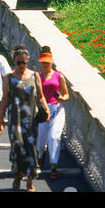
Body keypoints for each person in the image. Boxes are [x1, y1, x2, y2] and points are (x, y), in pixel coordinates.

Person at [0, 45, 48, 191]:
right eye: (18, 63)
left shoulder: (35, 75)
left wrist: (47, 109)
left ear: (28, 61)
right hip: (15, 119)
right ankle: (19, 175)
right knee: (18, 146)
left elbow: (41, 96)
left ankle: (30, 181)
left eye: (23, 63)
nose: (21, 66)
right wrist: (0, 117)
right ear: (14, 61)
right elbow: (5, 97)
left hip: (32, 118)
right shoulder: (9, 77)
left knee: (31, 148)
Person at [35, 50, 70, 179]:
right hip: (43, 110)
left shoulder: (59, 76)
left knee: (54, 137)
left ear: (52, 63)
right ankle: (41, 153)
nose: (45, 65)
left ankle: (53, 166)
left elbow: (66, 94)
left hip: (57, 109)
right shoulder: (37, 76)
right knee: (41, 140)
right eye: (43, 63)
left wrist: (61, 97)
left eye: (48, 63)